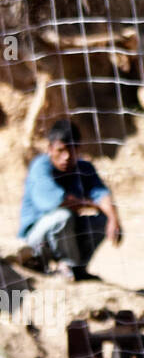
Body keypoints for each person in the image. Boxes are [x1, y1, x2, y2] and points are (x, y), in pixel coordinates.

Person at [16, 119, 122, 280]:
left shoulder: (84, 167)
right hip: (36, 239)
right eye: (60, 150)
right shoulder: (40, 166)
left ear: (79, 149)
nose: (66, 157)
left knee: (103, 220)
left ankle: (78, 270)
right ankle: (66, 266)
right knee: (63, 216)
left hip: (66, 234)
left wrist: (114, 219)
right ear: (50, 149)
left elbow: (103, 195)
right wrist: (92, 204)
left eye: (72, 150)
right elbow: (59, 202)